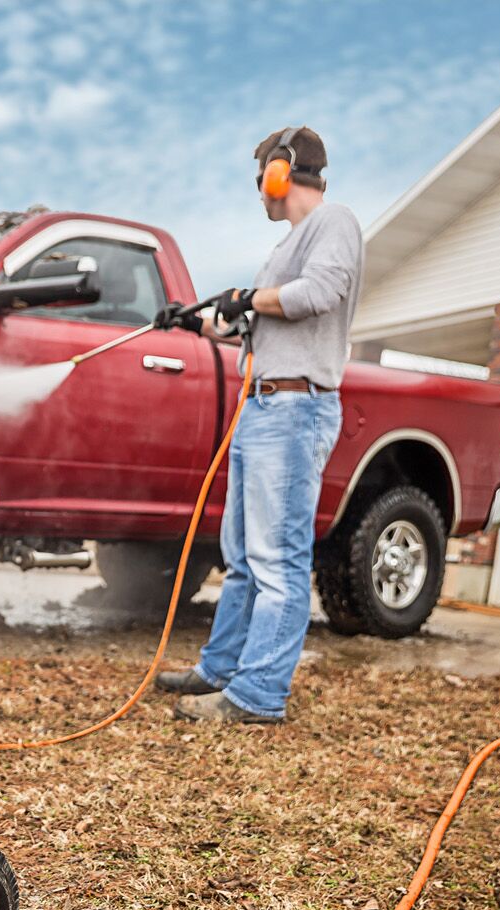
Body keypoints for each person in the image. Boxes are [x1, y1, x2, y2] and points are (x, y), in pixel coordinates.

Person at [152, 125, 364, 724]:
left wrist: (249, 297)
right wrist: (196, 322)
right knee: (242, 556)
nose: (258, 190)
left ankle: (259, 695)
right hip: (263, 405)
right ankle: (220, 670)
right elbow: (254, 320)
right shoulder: (285, 247)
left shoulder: (334, 222)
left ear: (282, 171)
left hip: (296, 409)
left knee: (278, 560)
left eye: (261, 176)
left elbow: (318, 293)